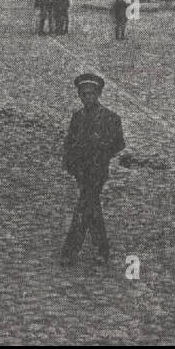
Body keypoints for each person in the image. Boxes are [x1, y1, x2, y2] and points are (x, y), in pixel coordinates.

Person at [61, 73, 125, 266]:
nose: (88, 97)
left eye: (91, 94)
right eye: (84, 94)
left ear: (98, 95)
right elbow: (70, 143)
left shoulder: (110, 118)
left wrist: (103, 154)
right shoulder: (77, 118)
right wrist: (71, 163)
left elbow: (119, 143)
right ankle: (101, 250)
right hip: (81, 171)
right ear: (80, 96)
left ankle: (71, 250)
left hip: (97, 171)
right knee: (91, 207)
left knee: (85, 205)